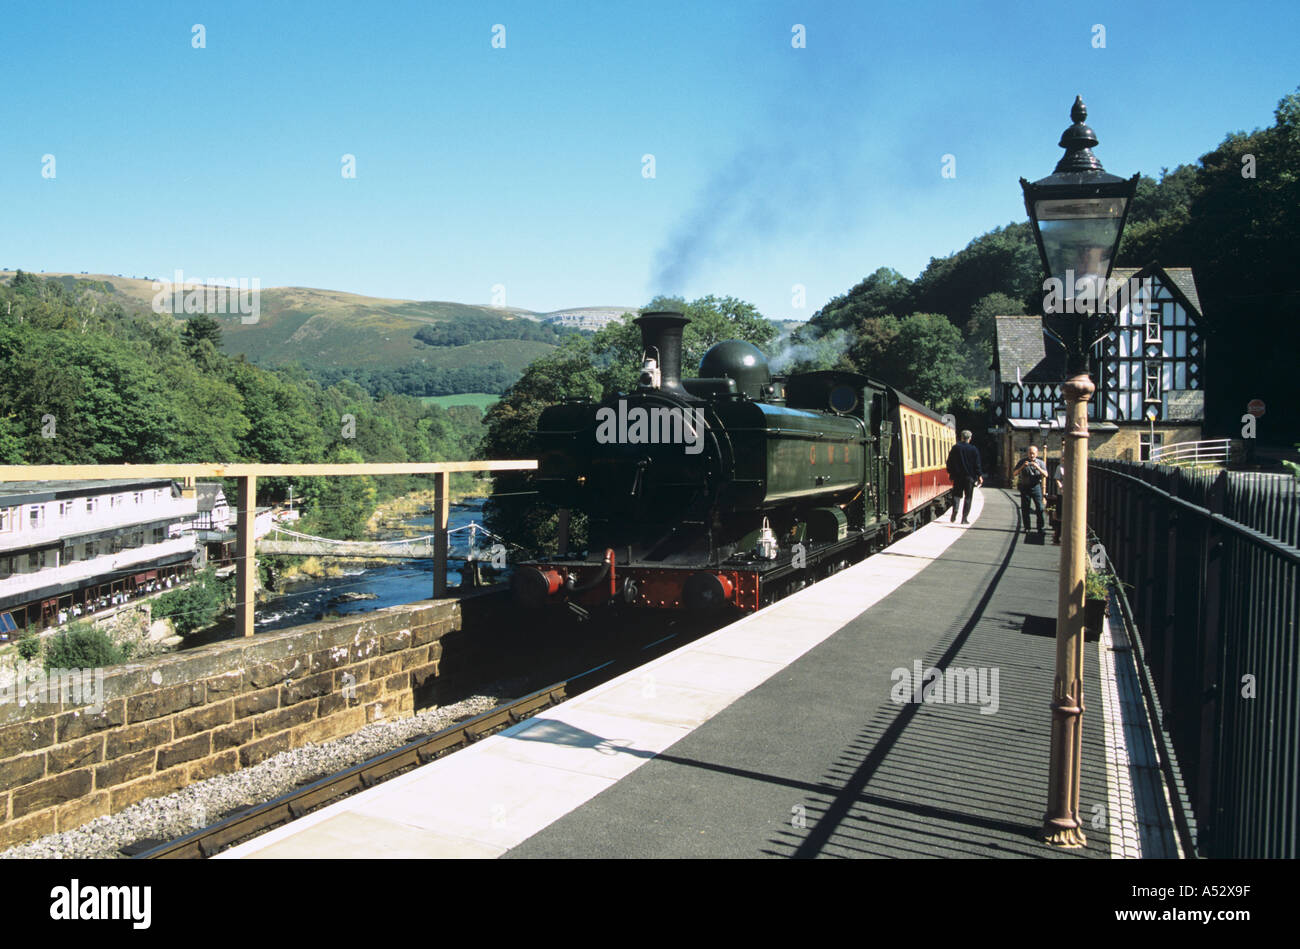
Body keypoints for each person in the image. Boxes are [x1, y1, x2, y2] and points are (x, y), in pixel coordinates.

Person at [944, 429, 983, 524]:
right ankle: (964, 518)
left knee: (957, 495)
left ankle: (955, 510)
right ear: (970, 438)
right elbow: (977, 464)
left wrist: (950, 472)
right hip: (969, 477)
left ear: (961, 437)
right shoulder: (973, 449)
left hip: (957, 477)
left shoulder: (955, 448)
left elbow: (949, 462)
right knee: (968, 497)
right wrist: (979, 476)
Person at [1011, 444, 1048, 533]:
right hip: (1025, 487)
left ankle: (1040, 527)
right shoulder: (1022, 461)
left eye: (1033, 453)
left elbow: (1046, 475)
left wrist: (1037, 467)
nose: (1031, 455)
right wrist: (1022, 467)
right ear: (1027, 453)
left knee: (1039, 508)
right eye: (1030, 453)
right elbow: (1015, 473)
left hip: (1036, 487)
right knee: (1025, 508)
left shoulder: (1041, 462)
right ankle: (1027, 527)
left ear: (1037, 453)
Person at [1048, 459, 1065, 544]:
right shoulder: (1060, 467)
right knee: (1060, 515)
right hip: (1062, 494)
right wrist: (1061, 487)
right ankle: (1057, 536)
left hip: (1071, 494)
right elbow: (1057, 479)